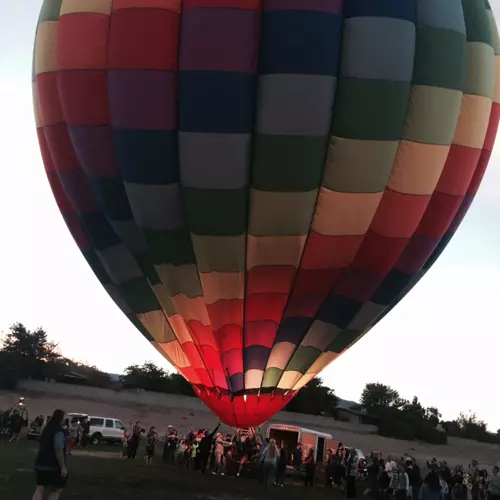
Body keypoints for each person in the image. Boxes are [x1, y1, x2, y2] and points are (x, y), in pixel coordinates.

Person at [32, 409, 68, 500]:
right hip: (52, 466)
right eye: (63, 418)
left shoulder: (46, 429)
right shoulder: (58, 432)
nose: (64, 420)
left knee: (39, 488)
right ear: (60, 419)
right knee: (57, 489)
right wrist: (63, 466)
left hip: (40, 462)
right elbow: (58, 450)